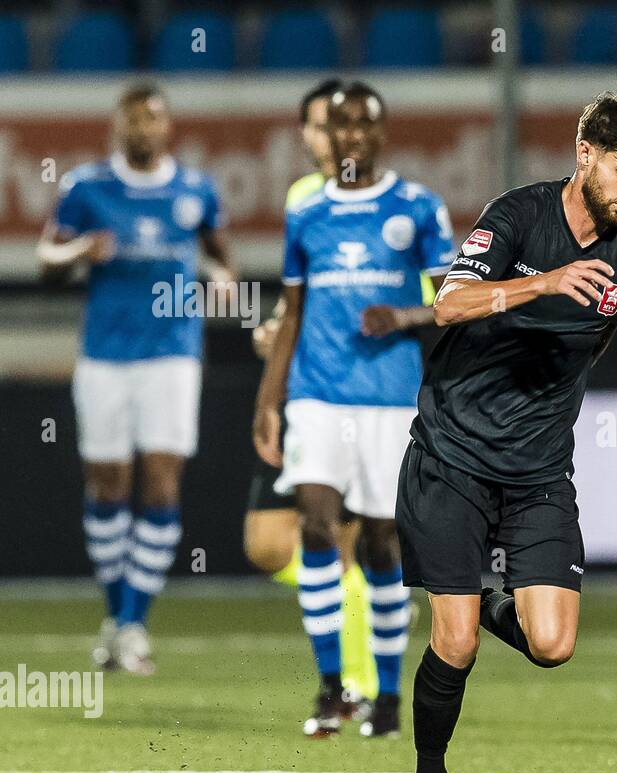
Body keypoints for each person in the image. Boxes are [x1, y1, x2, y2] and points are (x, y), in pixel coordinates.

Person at [395, 91, 617, 773]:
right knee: (452, 643)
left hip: (539, 469)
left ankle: (482, 603)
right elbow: (448, 306)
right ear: (585, 156)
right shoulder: (518, 215)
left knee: (553, 644)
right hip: (451, 455)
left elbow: (598, 337)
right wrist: (543, 282)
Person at [253, 82, 455, 738]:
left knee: (380, 540)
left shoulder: (417, 208)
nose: (353, 137)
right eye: (341, 127)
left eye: (365, 126)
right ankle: (331, 686)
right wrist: (269, 399)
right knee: (315, 523)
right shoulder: (306, 214)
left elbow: (457, 302)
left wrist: (404, 313)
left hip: (390, 397)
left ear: (381, 134)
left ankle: (389, 696)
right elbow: (293, 313)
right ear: (328, 137)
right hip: (315, 392)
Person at [38, 83, 234, 675]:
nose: (141, 129)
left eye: (151, 119)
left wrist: (223, 280)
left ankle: (131, 625)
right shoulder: (86, 188)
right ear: (117, 127)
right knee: (107, 485)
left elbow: (221, 258)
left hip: (173, 355)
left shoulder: (196, 189)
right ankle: (119, 615)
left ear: (167, 127)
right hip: (104, 354)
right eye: (131, 120)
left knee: (161, 481)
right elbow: (45, 260)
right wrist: (78, 255)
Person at [246, 77, 379, 713]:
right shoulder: (304, 197)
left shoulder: (391, 203)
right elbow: (303, 292)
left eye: (341, 124)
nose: (328, 136)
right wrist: (277, 330)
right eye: (319, 125)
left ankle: (359, 685)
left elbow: (413, 291)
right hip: (307, 390)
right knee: (268, 541)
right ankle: (358, 665)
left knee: (338, 539)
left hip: (360, 390)